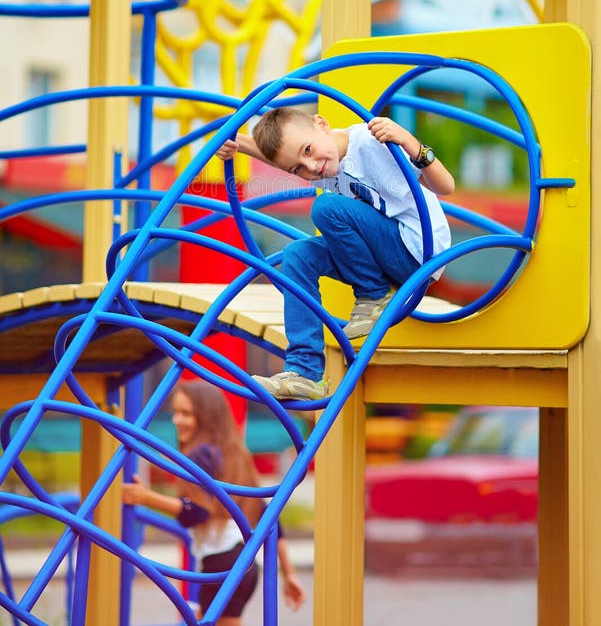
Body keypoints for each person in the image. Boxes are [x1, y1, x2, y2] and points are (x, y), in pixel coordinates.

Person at [218, 108, 455, 401]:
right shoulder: (322, 161)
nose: (310, 166)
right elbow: (286, 156)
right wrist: (240, 143)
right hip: (377, 256)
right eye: (297, 169)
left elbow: (446, 185)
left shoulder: (371, 144)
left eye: (308, 150)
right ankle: (304, 371)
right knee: (295, 255)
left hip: (416, 253)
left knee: (326, 208)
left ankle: (372, 295)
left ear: (322, 123)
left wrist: (408, 140)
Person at [122, 380, 306, 626]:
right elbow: (267, 515)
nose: (177, 420)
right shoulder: (235, 454)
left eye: (187, 414)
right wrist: (289, 573)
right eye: (175, 412)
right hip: (242, 565)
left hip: (222, 565)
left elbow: (197, 512)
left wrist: (146, 498)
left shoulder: (201, 454)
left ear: (207, 417)